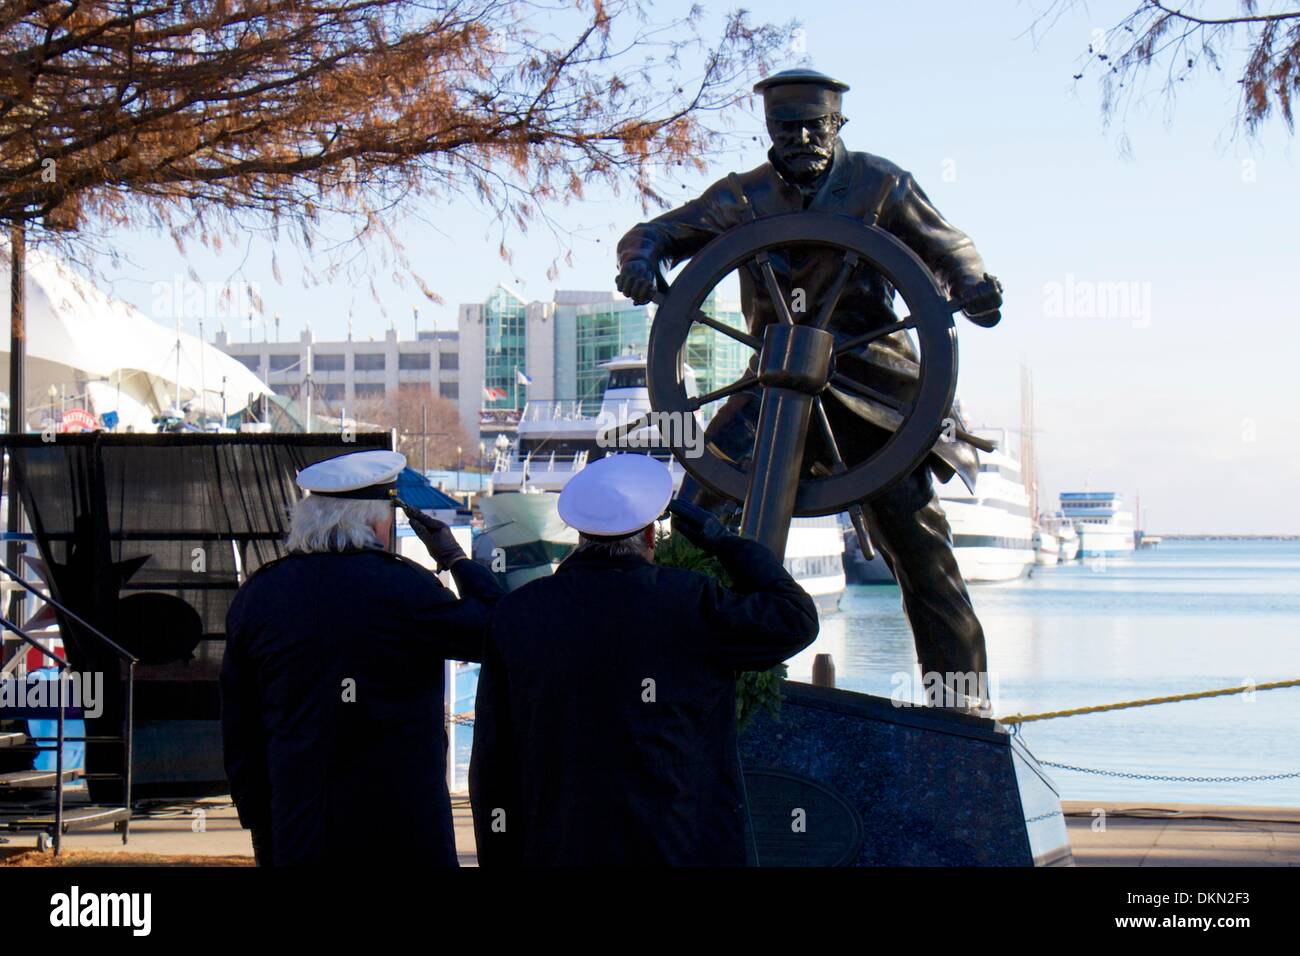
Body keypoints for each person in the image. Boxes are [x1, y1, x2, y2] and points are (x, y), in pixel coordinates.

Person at [615, 68, 1003, 712]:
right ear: (768, 129)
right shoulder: (741, 198)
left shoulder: (883, 185)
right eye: (784, 127)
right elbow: (656, 234)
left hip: (876, 395)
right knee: (693, 527)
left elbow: (949, 249)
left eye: (811, 126)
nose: (798, 138)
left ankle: (962, 717)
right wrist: (640, 262)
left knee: (923, 557)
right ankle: (672, 696)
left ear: (837, 124)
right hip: (771, 389)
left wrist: (972, 287)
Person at [469, 454, 819, 866]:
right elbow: (795, 618)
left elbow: (493, 763)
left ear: (581, 533)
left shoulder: (518, 614)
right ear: (651, 535)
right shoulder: (689, 602)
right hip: (678, 848)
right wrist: (722, 541)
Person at [220, 449, 503, 866]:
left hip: (299, 823)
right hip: (402, 825)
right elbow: (496, 632)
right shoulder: (405, 588)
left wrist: (260, 821)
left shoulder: (260, 594)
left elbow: (238, 724)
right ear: (373, 521)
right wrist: (457, 560)